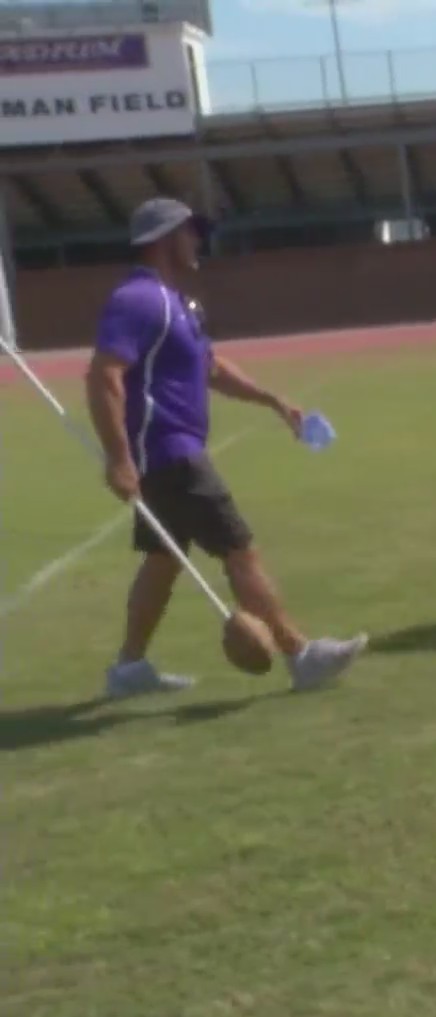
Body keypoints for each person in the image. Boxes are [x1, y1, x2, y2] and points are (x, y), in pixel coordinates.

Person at [85, 197, 367, 699]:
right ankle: (301, 654)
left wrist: (272, 399)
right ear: (164, 239)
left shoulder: (178, 303)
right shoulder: (138, 299)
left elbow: (209, 367)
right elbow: (104, 375)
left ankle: (128, 669)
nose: (198, 240)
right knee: (241, 551)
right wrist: (119, 457)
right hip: (170, 454)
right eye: (189, 232)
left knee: (163, 559)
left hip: (169, 454)